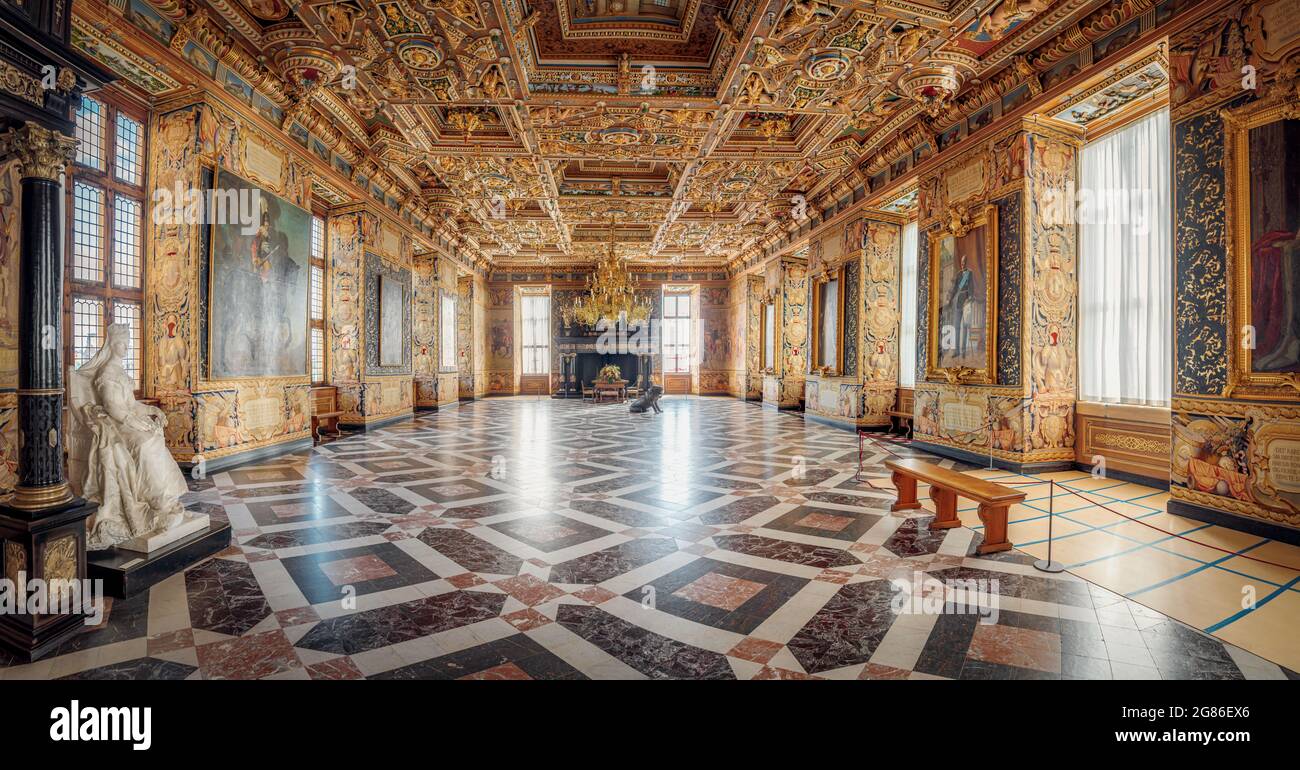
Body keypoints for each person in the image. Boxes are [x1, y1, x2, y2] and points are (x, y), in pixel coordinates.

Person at [68, 324, 188, 550]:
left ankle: (164, 498)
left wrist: (153, 411)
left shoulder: (121, 372)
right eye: (123, 343)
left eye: (127, 342)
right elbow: (115, 409)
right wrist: (135, 422)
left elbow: (131, 404)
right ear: (112, 345)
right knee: (144, 443)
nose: (126, 347)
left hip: (126, 421)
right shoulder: (107, 374)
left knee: (153, 438)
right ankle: (155, 500)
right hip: (117, 426)